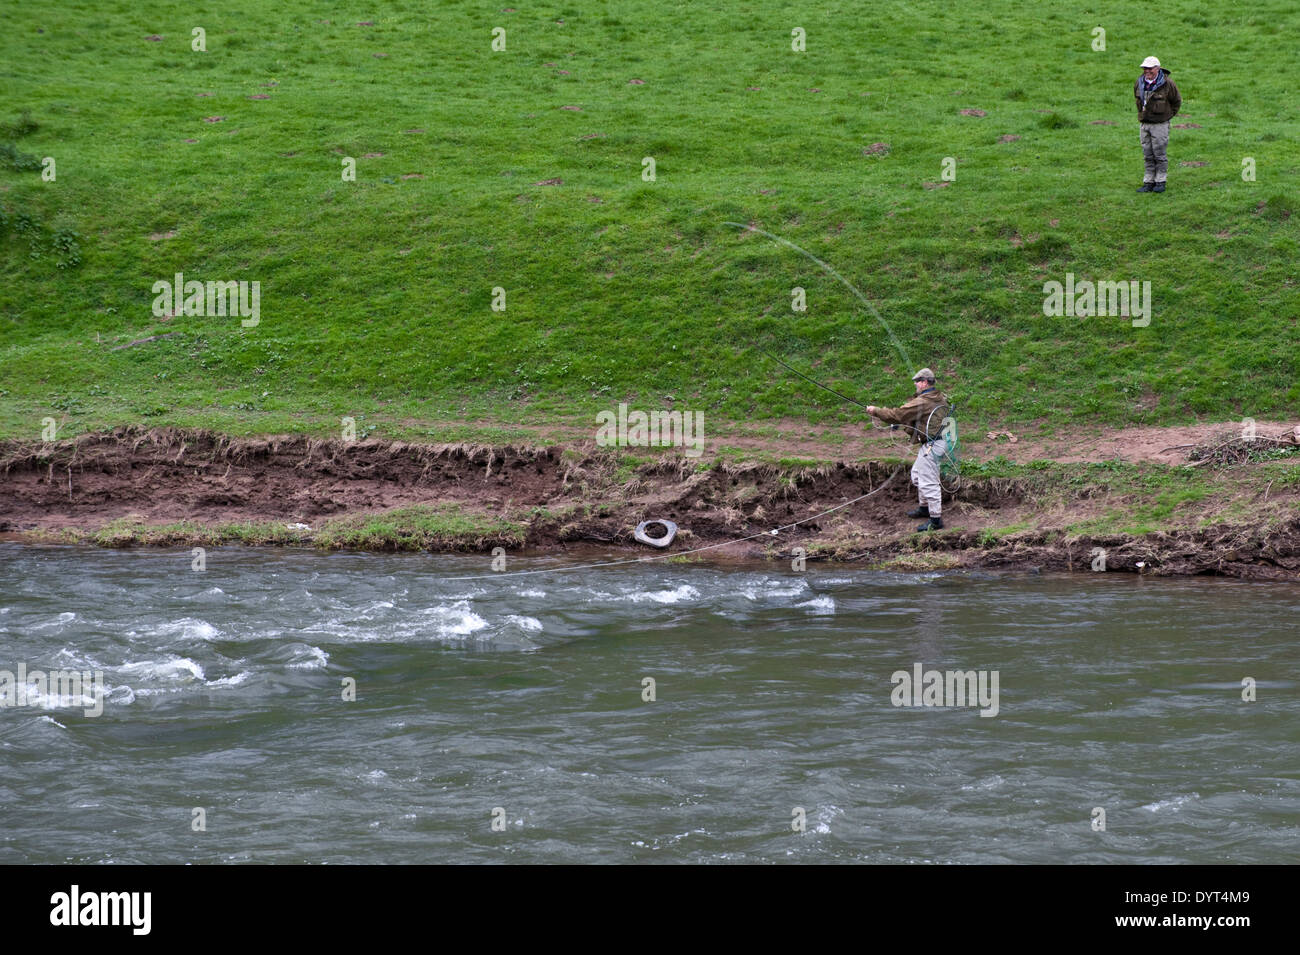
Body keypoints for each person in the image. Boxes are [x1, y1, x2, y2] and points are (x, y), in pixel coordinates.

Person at [866, 368, 949, 532]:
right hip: (935, 443)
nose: (915, 384)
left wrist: (875, 410)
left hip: (932, 445)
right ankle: (924, 508)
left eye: (917, 381)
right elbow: (921, 419)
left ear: (925, 382)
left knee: (929, 483)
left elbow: (897, 414)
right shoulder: (938, 397)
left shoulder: (923, 401)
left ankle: (936, 521)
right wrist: (904, 424)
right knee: (917, 475)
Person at [1134, 56, 1181, 193]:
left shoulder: (1168, 84)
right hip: (1144, 124)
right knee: (1147, 154)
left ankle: (1160, 181)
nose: (1147, 71)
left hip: (1160, 125)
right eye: (1145, 68)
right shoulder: (1139, 82)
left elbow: (1176, 102)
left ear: (1157, 68)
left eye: (1150, 68)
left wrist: (1166, 116)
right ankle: (1148, 181)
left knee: (1159, 154)